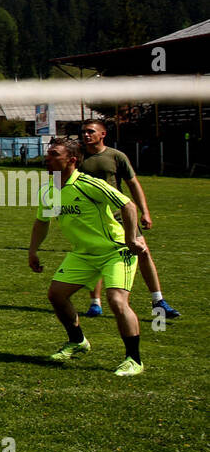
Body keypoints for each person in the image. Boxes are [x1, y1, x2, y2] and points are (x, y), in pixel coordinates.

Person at [28, 138, 147, 376]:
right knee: (56, 295)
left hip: (115, 251)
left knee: (116, 300)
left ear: (71, 160)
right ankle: (77, 341)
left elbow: (128, 205)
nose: (47, 158)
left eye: (54, 154)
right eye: (47, 154)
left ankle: (134, 359)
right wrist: (33, 250)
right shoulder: (49, 189)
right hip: (82, 254)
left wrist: (131, 238)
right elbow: (42, 222)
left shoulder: (89, 184)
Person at [78, 119, 179, 319]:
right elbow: (58, 178)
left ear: (103, 134)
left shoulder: (116, 156)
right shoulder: (77, 157)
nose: (86, 135)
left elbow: (133, 184)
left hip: (120, 215)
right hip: (92, 217)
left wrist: (145, 211)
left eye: (90, 131)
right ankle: (95, 303)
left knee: (144, 252)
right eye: (83, 132)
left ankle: (158, 301)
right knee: (97, 257)